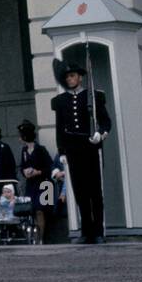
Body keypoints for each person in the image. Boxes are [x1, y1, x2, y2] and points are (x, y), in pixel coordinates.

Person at [49, 57, 112, 244]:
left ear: (80, 77)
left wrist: (100, 134)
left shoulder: (93, 96)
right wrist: (61, 152)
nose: (70, 79)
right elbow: (59, 127)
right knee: (80, 192)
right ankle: (86, 232)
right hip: (73, 150)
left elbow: (106, 121)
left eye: (73, 76)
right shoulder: (61, 101)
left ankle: (99, 231)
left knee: (95, 192)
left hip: (90, 148)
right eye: (67, 77)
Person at [17, 119, 54, 244]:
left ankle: (41, 238)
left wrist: (37, 172)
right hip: (31, 184)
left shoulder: (40, 149)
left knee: (40, 210)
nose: (19, 139)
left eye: (21, 136)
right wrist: (25, 172)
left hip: (44, 184)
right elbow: (22, 166)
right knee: (31, 209)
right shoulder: (24, 151)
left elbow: (49, 167)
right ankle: (35, 235)